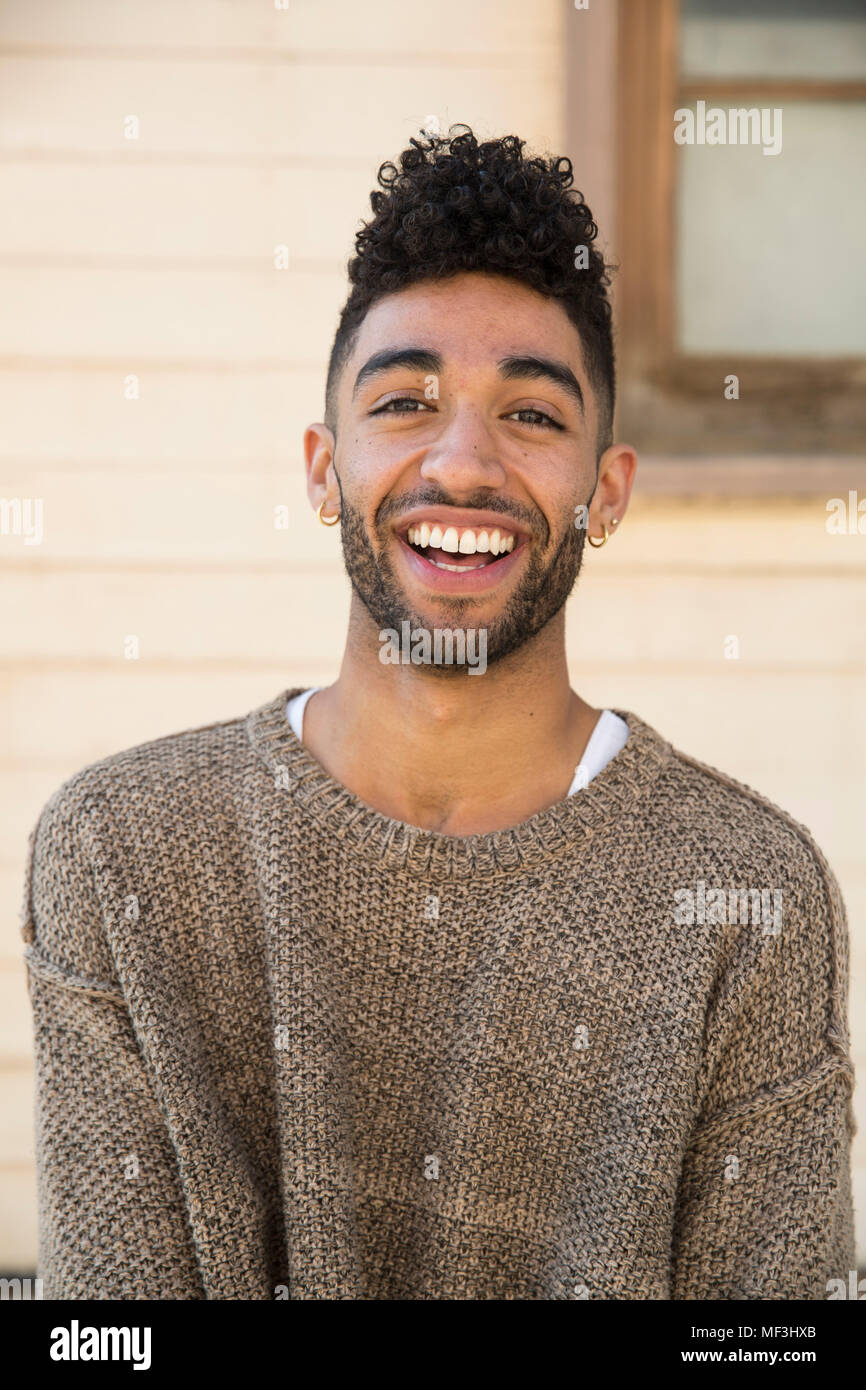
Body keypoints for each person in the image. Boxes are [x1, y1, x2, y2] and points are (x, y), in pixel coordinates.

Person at [21, 125, 856, 1300]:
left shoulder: (746, 896)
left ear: (603, 493)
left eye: (530, 414)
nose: (461, 464)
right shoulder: (123, 852)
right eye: (406, 401)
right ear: (324, 470)